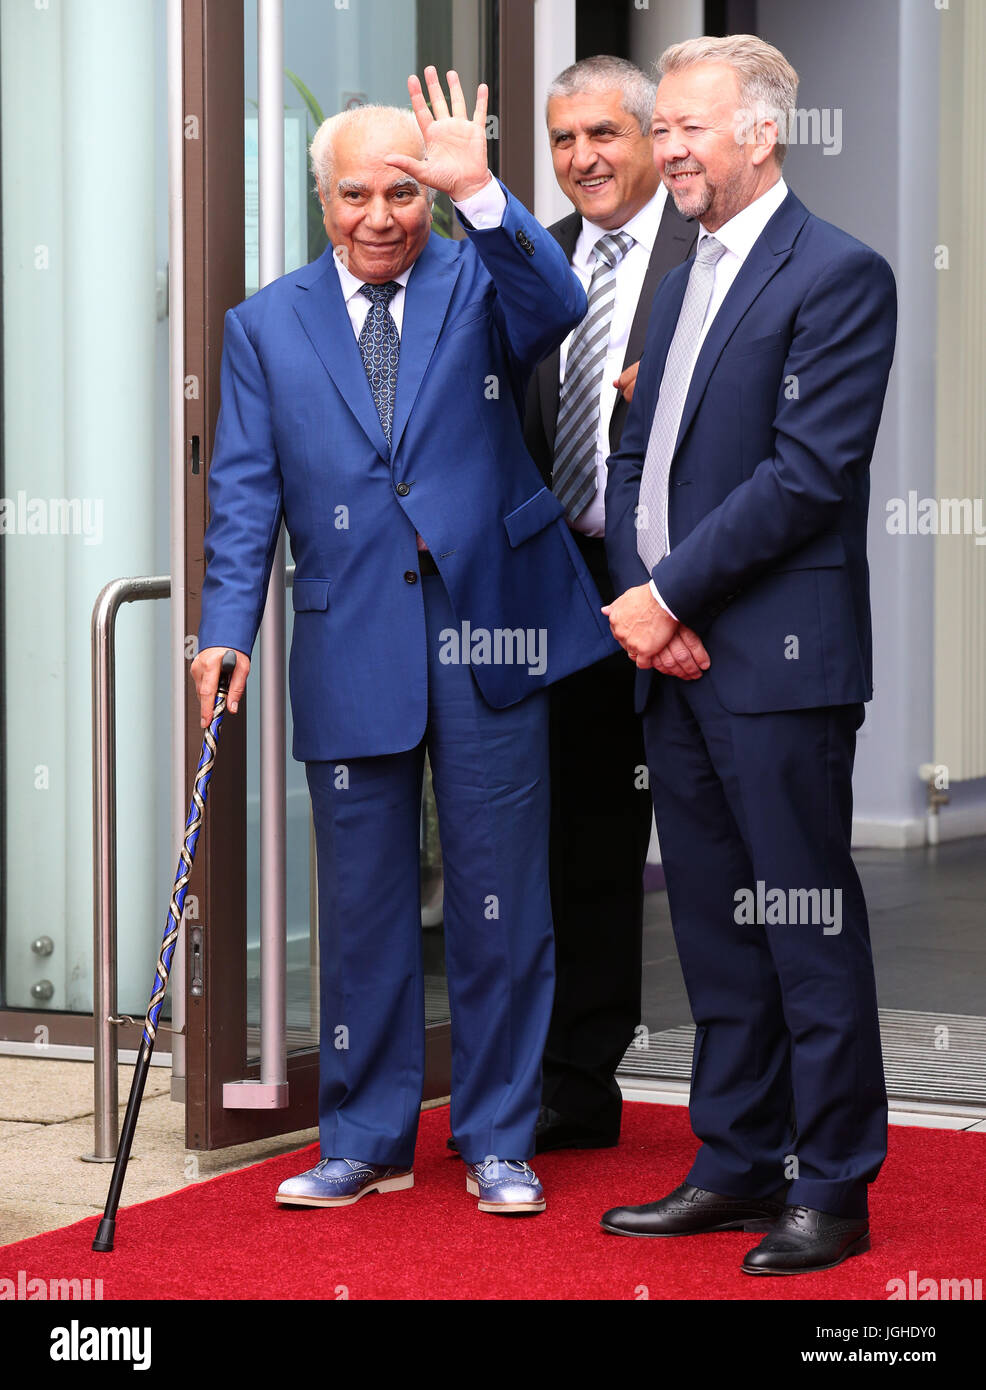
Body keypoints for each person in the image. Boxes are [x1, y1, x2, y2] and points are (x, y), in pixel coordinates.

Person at [191, 69, 615, 1217]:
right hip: (351, 636)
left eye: (402, 194)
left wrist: (478, 189)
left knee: (498, 900)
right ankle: (363, 1136)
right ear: (318, 201)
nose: (379, 217)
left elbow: (560, 306)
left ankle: (495, 1137)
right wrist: (222, 632)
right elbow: (242, 498)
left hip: (490, 621)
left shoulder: (479, 274)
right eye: (353, 197)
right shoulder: (261, 325)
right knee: (366, 906)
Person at [600, 35, 896, 1274]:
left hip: (777, 662)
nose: (663, 148)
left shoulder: (838, 275)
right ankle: (732, 1161)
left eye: (684, 127)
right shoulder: (675, 278)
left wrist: (666, 592)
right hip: (671, 658)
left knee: (800, 926)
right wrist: (638, 592)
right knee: (717, 929)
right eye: (658, 126)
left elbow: (803, 477)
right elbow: (631, 459)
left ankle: (830, 1185)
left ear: (760, 133)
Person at [524, 56, 696, 1151]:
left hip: (686, 588)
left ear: (647, 137)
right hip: (562, 589)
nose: (581, 158)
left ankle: (751, 1111)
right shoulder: (533, 256)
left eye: (603, 135)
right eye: (561, 140)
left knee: (715, 846)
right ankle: (575, 1089)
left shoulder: (708, 247)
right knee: (576, 844)